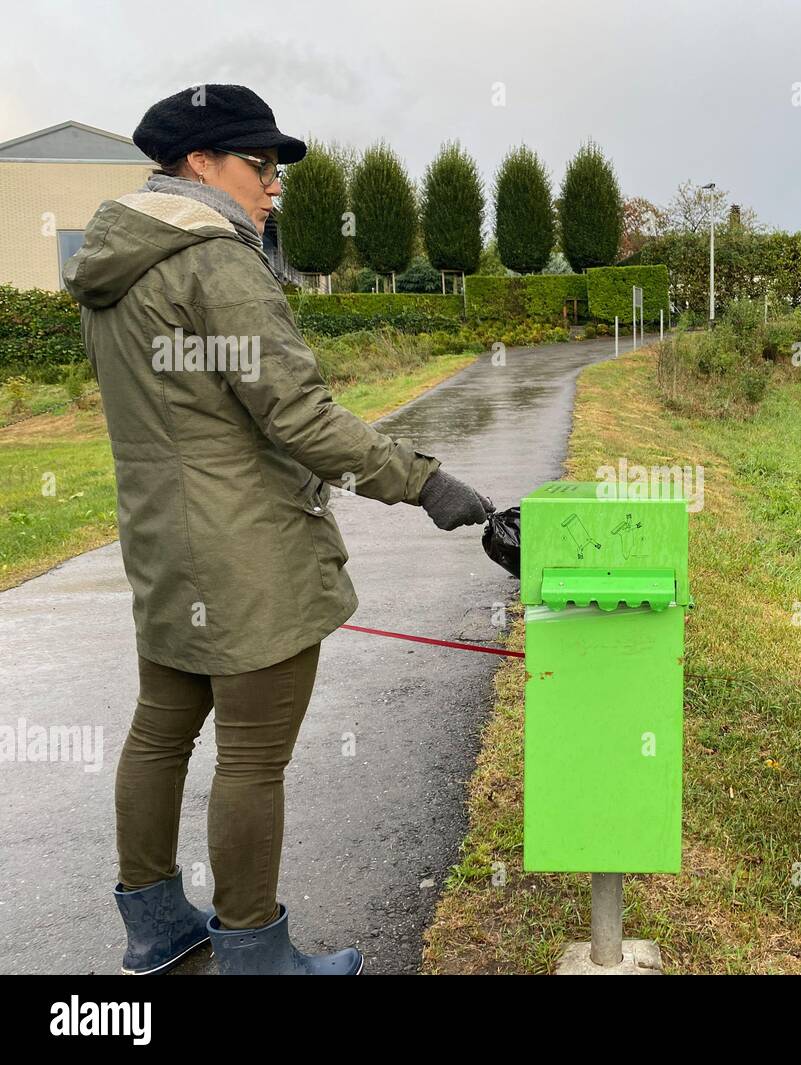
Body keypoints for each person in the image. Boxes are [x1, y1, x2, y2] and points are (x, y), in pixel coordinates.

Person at [63, 84, 491, 975]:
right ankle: (255, 952)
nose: (273, 187)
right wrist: (424, 480)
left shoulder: (114, 264)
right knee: (252, 758)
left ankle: (153, 923)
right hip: (247, 553)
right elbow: (296, 414)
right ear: (199, 164)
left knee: (158, 733)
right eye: (259, 166)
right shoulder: (215, 260)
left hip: (161, 546)